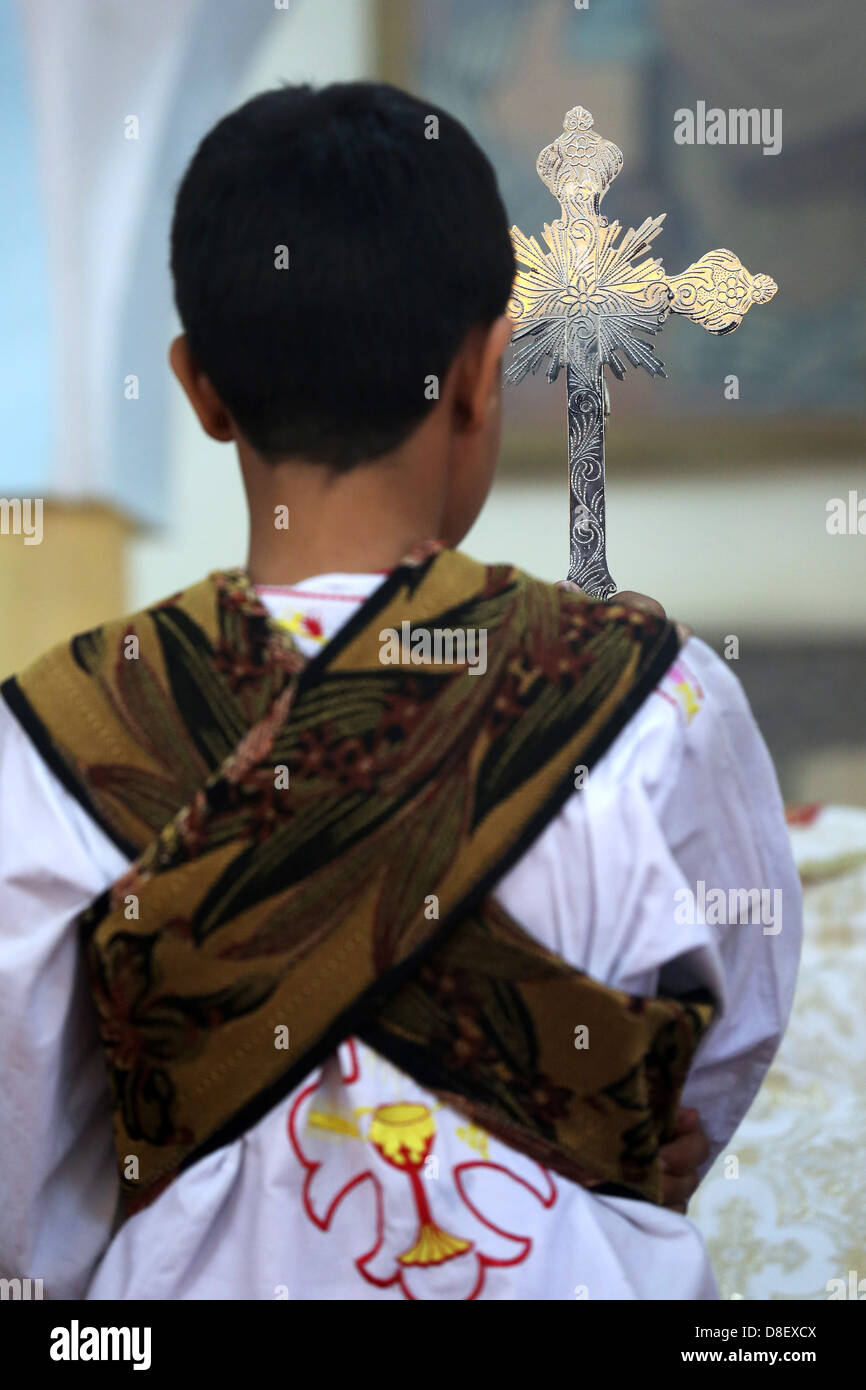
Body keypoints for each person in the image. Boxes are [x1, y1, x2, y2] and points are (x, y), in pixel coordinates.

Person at [0, 81, 800, 1301]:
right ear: (484, 372)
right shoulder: (654, 700)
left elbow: (22, 1175)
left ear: (200, 386)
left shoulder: (60, 734)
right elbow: (711, 1065)